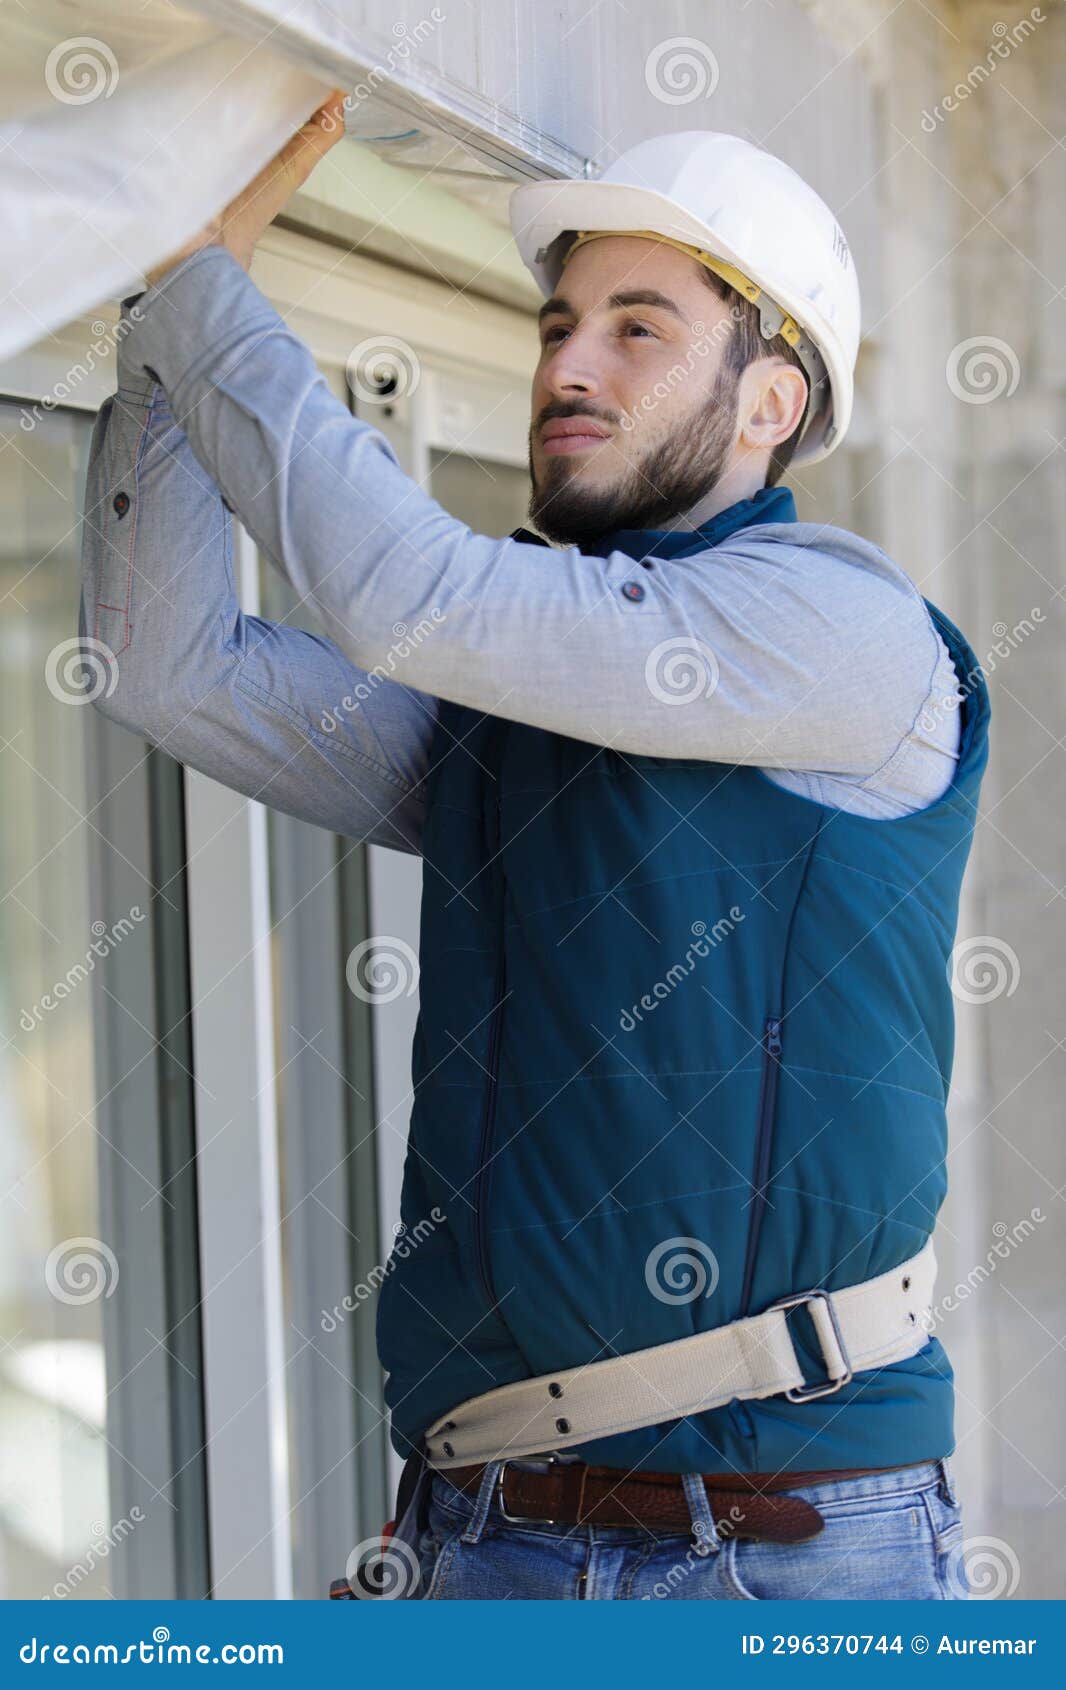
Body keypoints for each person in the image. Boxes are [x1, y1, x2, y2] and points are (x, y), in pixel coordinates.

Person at [79, 96, 988, 1600]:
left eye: (640, 329)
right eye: (560, 322)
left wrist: (197, 282)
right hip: (482, 1530)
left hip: (784, 1544)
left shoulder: (846, 632)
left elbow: (412, 599)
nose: (565, 364)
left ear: (770, 405)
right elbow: (171, 665)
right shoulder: (519, 718)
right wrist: (165, 337)